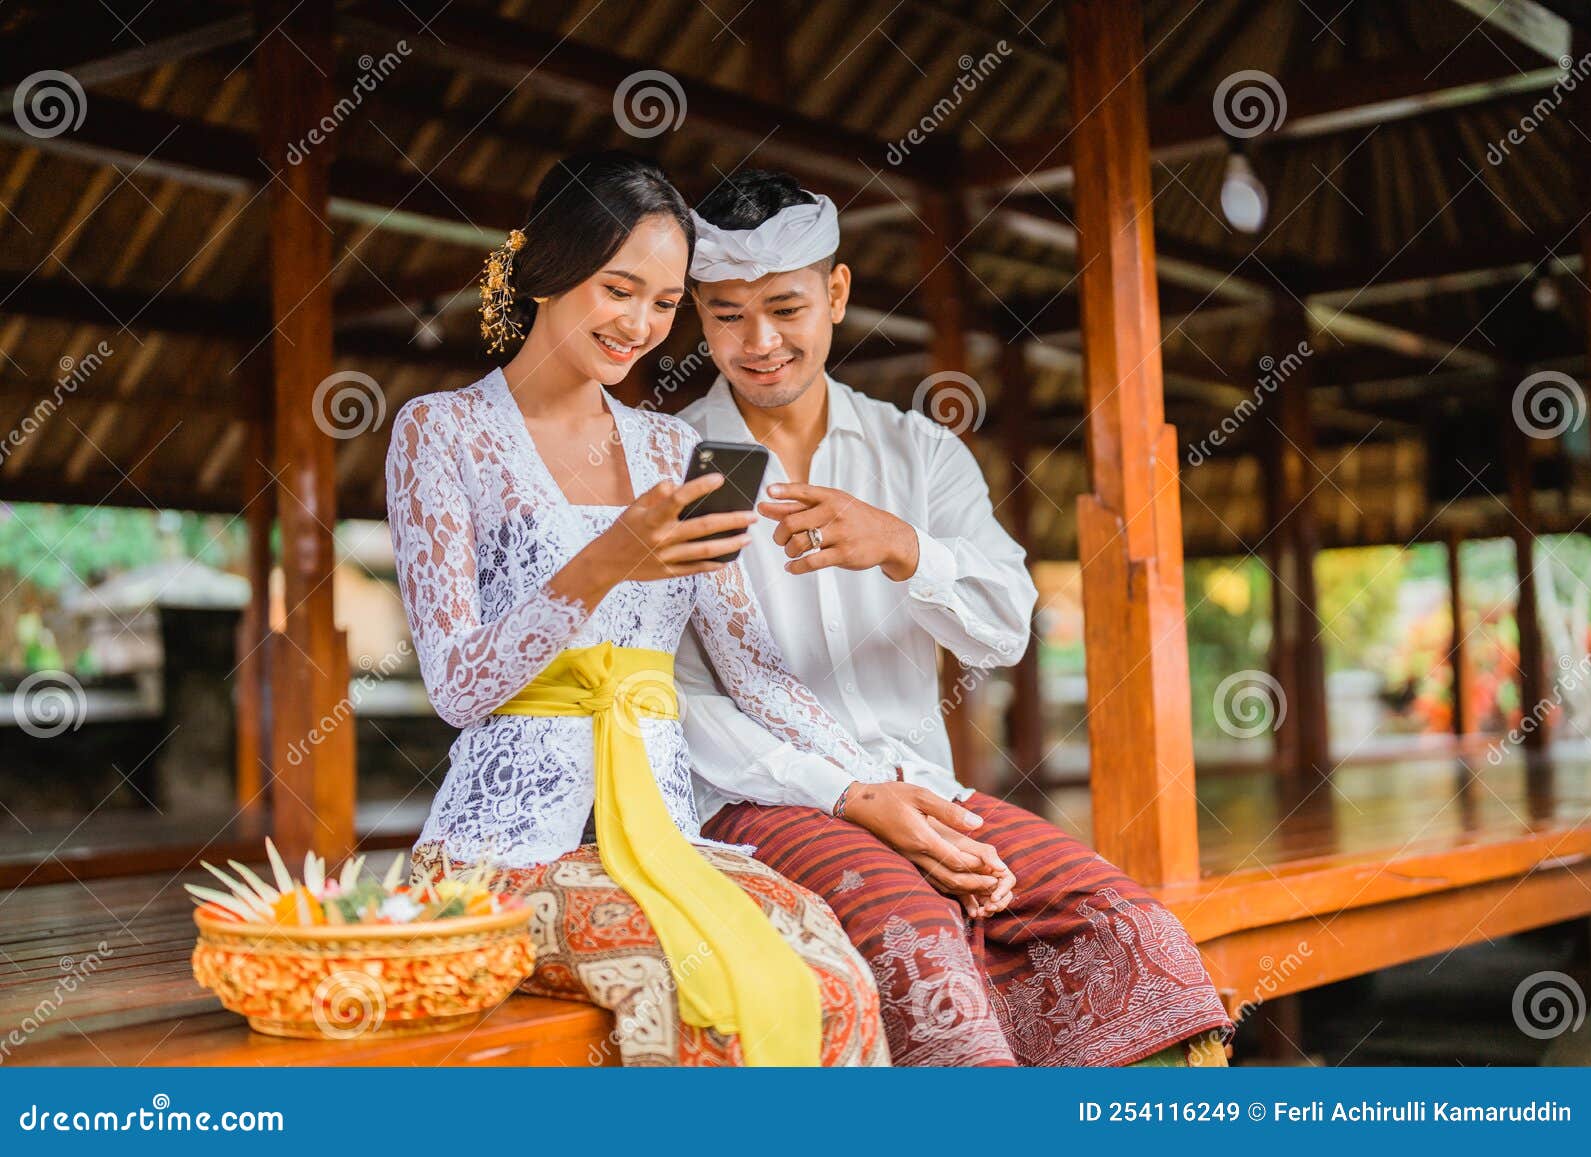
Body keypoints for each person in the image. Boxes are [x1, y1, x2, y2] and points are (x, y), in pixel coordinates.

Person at [673, 169, 1234, 1067]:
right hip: (761, 798)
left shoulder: (917, 451)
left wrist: (905, 548)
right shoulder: (680, 468)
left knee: (1134, 933)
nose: (761, 341)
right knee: (919, 939)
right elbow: (672, 703)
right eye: (727, 314)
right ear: (695, 312)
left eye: (786, 306)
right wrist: (851, 800)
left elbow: (1006, 628)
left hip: (922, 780)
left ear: (837, 293)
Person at [384, 152, 888, 1067]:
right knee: (704, 994)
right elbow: (457, 685)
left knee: (836, 976)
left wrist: (880, 786)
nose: (642, 327)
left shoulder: (675, 448)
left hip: (661, 836)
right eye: (621, 290)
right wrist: (607, 559)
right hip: (502, 850)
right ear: (546, 269)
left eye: (664, 304)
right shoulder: (440, 431)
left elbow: (753, 672)